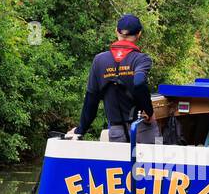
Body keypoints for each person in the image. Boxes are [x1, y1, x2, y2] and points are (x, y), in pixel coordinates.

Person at [66, 14, 156, 143]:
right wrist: (149, 111)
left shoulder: (99, 60)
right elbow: (139, 83)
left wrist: (80, 129)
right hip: (141, 129)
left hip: (116, 132)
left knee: (119, 164)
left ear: (116, 32)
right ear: (139, 34)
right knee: (150, 158)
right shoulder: (141, 59)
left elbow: (91, 100)